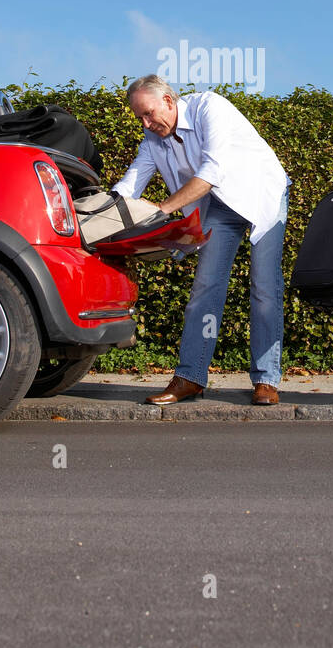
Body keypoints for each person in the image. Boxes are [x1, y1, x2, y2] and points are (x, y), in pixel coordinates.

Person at [111, 76, 290, 405]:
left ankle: (267, 379)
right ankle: (190, 376)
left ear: (168, 100)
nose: (146, 123)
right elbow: (130, 184)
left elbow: (212, 171)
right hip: (221, 204)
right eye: (140, 118)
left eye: (149, 114)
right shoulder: (153, 139)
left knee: (264, 286)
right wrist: (100, 212)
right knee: (205, 288)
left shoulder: (210, 107)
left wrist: (165, 208)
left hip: (263, 192)